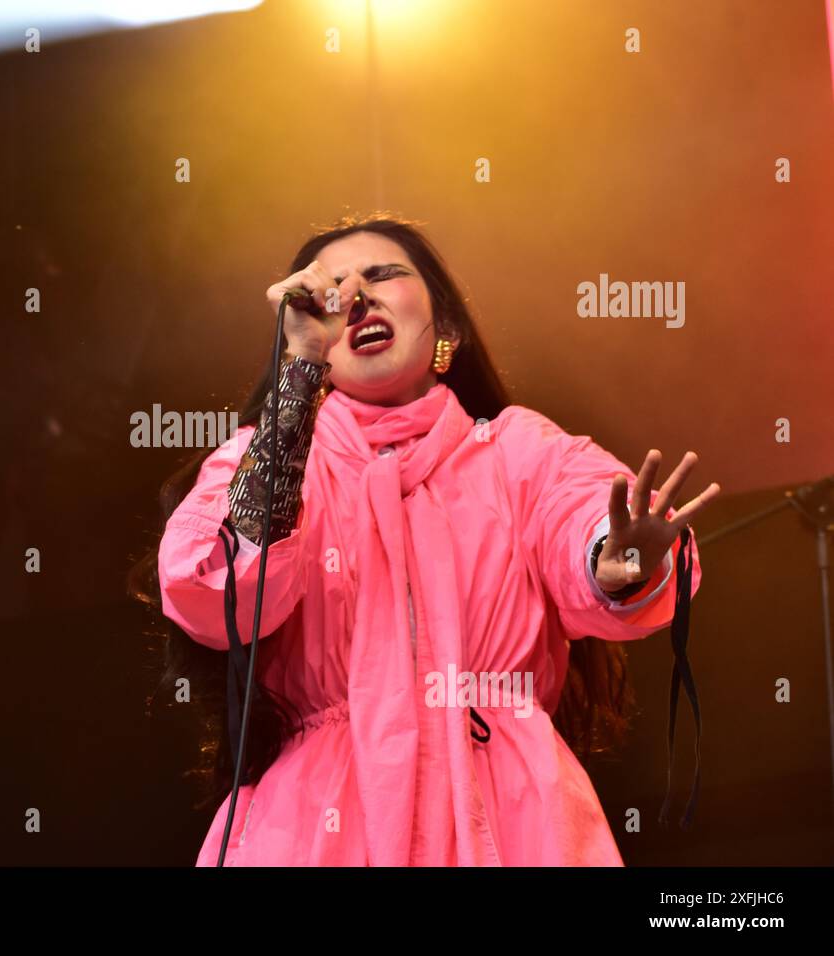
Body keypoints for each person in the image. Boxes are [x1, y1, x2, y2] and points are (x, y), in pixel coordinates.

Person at [128, 214, 720, 866]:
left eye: (383, 274)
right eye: (331, 285)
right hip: (317, 822)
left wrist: (614, 559)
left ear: (449, 330)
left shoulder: (519, 449)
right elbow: (216, 586)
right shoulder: (260, 458)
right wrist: (299, 373)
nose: (356, 294)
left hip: (511, 813)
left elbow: (584, 515)